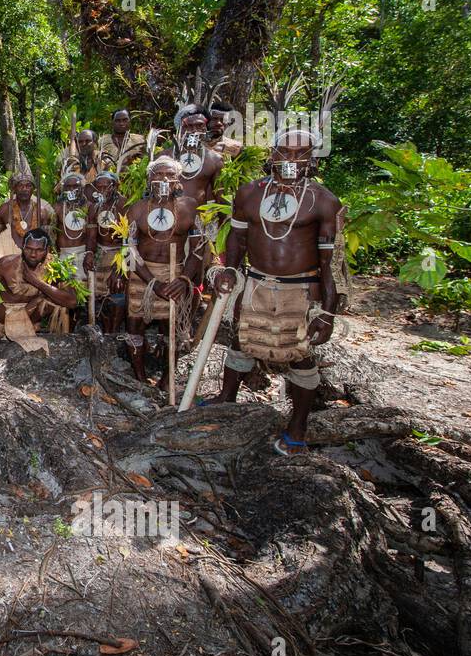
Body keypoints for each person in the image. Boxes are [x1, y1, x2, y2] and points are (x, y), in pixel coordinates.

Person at [202, 130, 341, 455]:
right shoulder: (249, 193)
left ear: (312, 159)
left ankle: (298, 426)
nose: (291, 160)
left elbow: (331, 264)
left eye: (300, 154)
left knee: (300, 354)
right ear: (272, 154)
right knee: (241, 339)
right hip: (256, 282)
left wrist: (328, 311)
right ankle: (227, 399)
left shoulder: (323, 200)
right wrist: (230, 271)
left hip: (301, 289)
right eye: (285, 152)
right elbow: (236, 239)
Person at [124, 157, 203, 391]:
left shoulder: (190, 207)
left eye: (169, 175)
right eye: (158, 174)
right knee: (134, 325)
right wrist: (152, 283)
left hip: (175, 273)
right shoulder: (137, 209)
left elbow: (199, 248)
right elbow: (128, 250)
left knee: (172, 327)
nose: (163, 179)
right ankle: (139, 378)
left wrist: (183, 279)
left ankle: (167, 379)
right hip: (142, 274)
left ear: (178, 180)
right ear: (149, 179)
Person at [0, 228, 77, 353]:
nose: (33, 254)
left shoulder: (54, 269)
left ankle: (31, 330)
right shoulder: (6, 264)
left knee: (52, 301)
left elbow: (72, 302)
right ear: (22, 247)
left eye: (39, 250)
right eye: (28, 249)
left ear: (47, 251)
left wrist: (36, 282)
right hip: (4, 315)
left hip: (32, 315)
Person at [84, 170, 128, 333]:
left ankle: (114, 331)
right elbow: (91, 235)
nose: (102, 190)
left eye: (106, 186)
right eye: (98, 187)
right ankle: (103, 329)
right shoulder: (94, 207)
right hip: (100, 254)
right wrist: (89, 253)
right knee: (98, 294)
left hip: (119, 254)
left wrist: (121, 267)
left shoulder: (125, 205)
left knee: (118, 293)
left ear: (115, 186)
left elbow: (129, 239)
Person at [0, 151, 54, 257]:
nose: (24, 189)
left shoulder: (42, 212)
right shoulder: (4, 210)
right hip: (9, 258)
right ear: (14, 189)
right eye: (20, 185)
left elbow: (47, 243)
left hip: (34, 260)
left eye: (28, 185)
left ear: (33, 189)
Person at [54, 171, 90, 281]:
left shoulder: (89, 207)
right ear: (63, 189)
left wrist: (89, 254)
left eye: (75, 186)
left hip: (83, 255)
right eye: (68, 186)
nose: (72, 189)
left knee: (84, 290)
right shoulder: (57, 208)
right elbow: (52, 234)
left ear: (82, 188)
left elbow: (92, 236)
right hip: (63, 255)